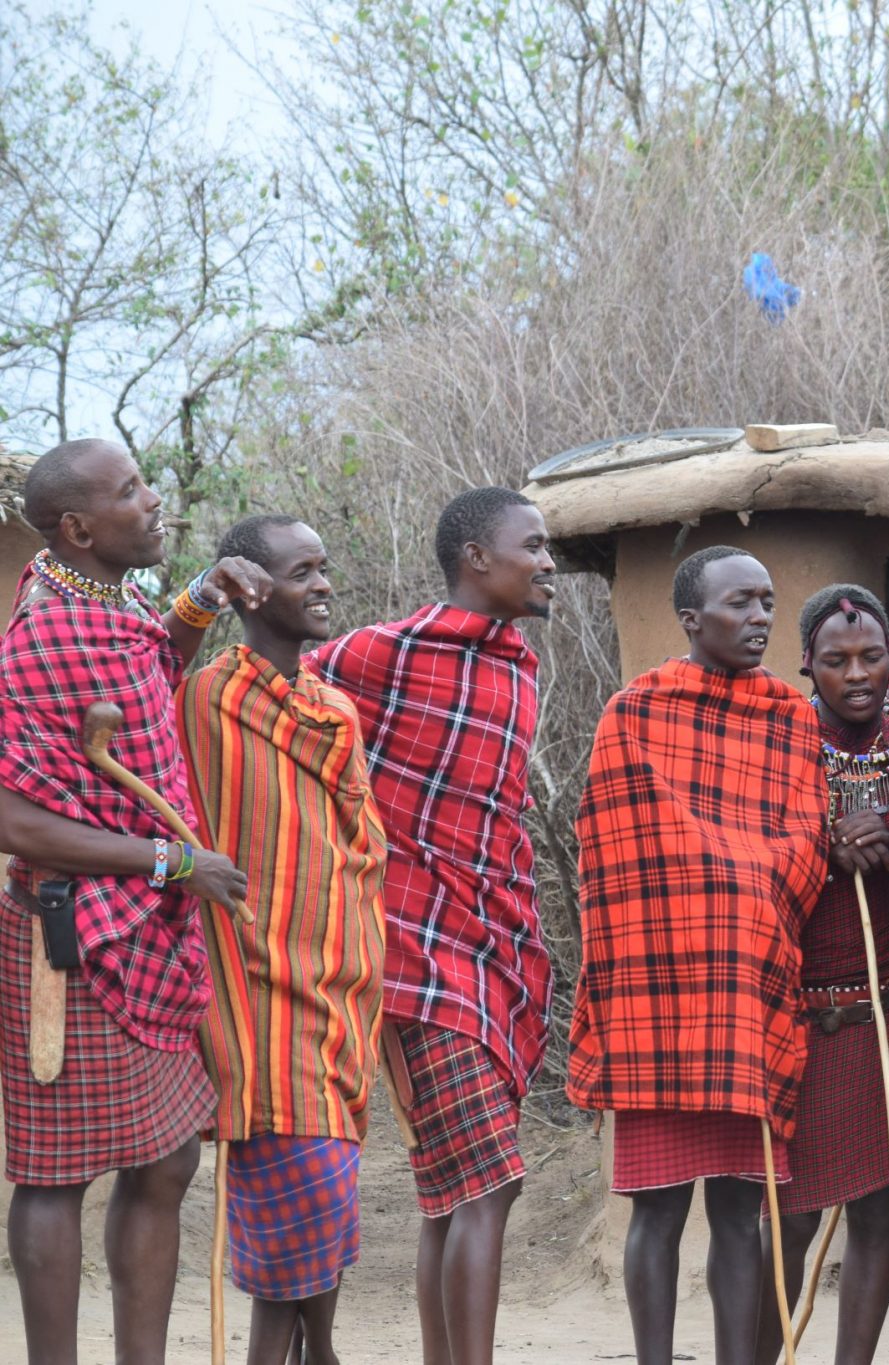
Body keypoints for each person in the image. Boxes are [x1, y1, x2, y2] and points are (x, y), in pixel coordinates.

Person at [0, 438, 263, 1365]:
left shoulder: (106, 599)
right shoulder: (44, 635)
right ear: (77, 527)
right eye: (131, 492)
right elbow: (15, 821)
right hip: (72, 933)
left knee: (167, 1156)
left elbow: (149, 675)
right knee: (55, 1170)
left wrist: (200, 599)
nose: (154, 502)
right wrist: (171, 862)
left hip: (142, 922)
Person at [308, 486, 554, 1365]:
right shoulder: (378, 654)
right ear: (476, 558)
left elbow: (498, 813)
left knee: (452, 1192)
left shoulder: (519, 664)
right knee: (491, 1182)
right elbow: (279, 711)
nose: (550, 561)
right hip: (411, 945)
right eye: (534, 544)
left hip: (495, 943)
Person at [570, 546, 827, 1365]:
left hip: (750, 996)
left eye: (767, 601)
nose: (759, 618)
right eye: (739, 603)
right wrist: (729, 873)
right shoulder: (634, 712)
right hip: (659, 1003)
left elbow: (807, 838)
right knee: (656, 1210)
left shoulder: (791, 715)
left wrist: (743, 882)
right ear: (689, 619)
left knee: (743, 1210)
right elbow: (614, 848)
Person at [178, 515, 387, 1365]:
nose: (324, 585)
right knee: (298, 1199)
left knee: (330, 1191)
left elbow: (363, 842)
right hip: (254, 990)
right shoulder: (205, 696)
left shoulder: (334, 706)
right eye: (303, 572)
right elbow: (149, 667)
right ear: (253, 589)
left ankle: (318, 1350)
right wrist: (196, 601)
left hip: (341, 988)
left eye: (324, 569)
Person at [754, 583, 889, 1365]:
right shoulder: (782, 740)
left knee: (877, 1208)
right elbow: (753, 842)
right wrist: (821, 843)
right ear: (807, 664)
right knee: (789, 1216)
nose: (857, 673)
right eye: (836, 660)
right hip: (806, 1016)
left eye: (870, 656)